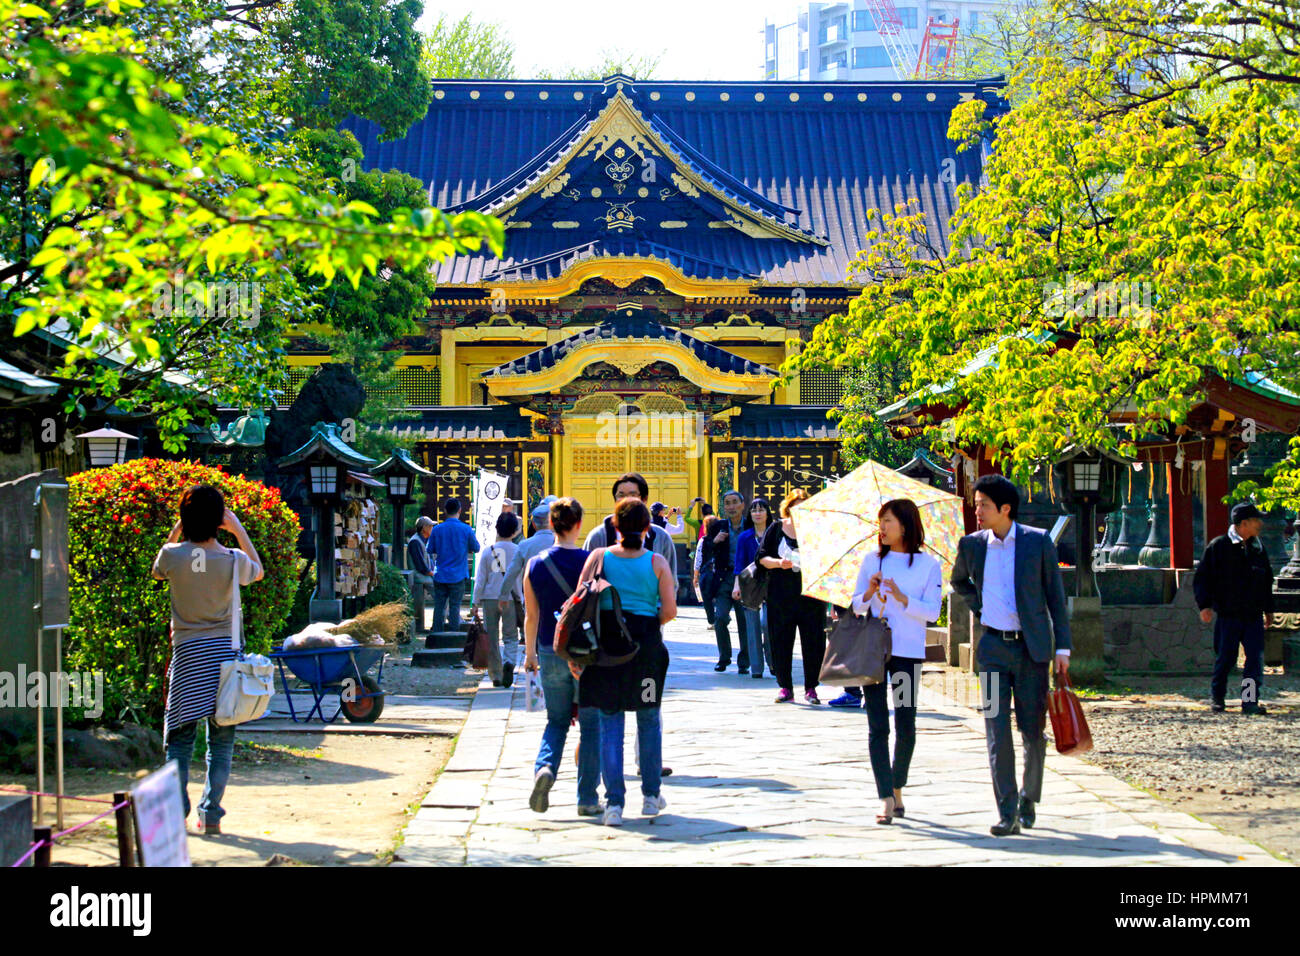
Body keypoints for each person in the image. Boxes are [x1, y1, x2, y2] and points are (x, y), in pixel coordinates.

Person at [950, 474, 1071, 837]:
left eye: (984, 505)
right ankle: (1006, 811)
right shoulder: (972, 545)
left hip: (1032, 650)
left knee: (1032, 731)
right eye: (976, 505)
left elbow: (1056, 597)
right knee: (996, 729)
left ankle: (1028, 798)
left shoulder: (1037, 542)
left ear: (1005, 508)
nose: (977, 512)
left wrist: (1062, 648)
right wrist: (980, 607)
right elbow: (959, 581)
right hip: (991, 650)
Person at [151, 484, 264, 836]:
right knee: (221, 741)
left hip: (187, 655)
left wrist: (177, 530)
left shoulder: (172, 556)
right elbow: (258, 571)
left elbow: (157, 570)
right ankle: (211, 813)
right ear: (219, 519)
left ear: (185, 518)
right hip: (224, 658)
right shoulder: (233, 560)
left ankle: (178, 811)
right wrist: (238, 530)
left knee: (179, 740)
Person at [576, 497, 677, 827]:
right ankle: (651, 794)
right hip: (646, 655)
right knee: (648, 718)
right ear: (648, 528)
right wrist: (646, 623)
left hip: (607, 654)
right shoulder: (657, 562)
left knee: (610, 722)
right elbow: (670, 610)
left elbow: (579, 602)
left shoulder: (598, 557)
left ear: (615, 527)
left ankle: (614, 803)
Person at [850, 499, 943, 824]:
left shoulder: (928, 565)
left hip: (907, 653)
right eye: (881, 521)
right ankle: (886, 798)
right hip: (875, 651)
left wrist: (904, 599)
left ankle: (897, 786)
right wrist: (869, 593)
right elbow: (856, 605)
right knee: (877, 725)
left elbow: (933, 612)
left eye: (888, 520)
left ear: (905, 524)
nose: (882, 527)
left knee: (906, 725)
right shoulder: (872, 561)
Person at [524, 498, 603, 816]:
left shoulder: (535, 564)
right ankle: (587, 798)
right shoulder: (592, 562)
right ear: (578, 524)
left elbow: (531, 615)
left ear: (551, 524)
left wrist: (530, 654)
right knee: (591, 726)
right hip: (585, 652)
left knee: (556, 721)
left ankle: (545, 767)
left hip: (549, 647)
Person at [1194, 502, 1275, 715]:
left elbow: (1266, 580)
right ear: (1243, 523)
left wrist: (1269, 609)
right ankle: (1218, 698)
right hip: (1228, 615)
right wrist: (1205, 605)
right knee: (1226, 658)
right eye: (1256, 520)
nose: (1260, 524)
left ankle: (1249, 701)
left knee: (1254, 660)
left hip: (1253, 615)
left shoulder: (1258, 549)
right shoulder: (1219, 546)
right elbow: (1203, 578)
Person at [757, 488, 827, 704]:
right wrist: (779, 563)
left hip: (811, 596)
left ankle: (811, 688)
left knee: (814, 643)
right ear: (787, 508)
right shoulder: (776, 528)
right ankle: (785, 686)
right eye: (795, 507)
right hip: (780, 595)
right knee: (780, 641)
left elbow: (826, 559)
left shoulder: (816, 530)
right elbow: (761, 558)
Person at [472, 511, 523, 688]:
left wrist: (475, 602)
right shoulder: (518, 551)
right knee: (511, 636)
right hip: (511, 597)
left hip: (490, 597)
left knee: (491, 637)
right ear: (514, 531)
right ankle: (510, 661)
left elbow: (480, 579)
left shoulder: (488, 551)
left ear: (497, 529)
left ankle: (496, 674)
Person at [731, 497, 774, 679]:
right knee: (752, 626)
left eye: (761, 510)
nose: (757, 513)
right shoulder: (745, 537)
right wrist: (736, 586)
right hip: (750, 584)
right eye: (754, 510)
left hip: (771, 584)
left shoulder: (775, 533)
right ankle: (756, 668)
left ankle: (773, 662)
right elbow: (739, 564)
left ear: (767, 513)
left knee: (767, 624)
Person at [710, 490, 751, 673]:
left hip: (746, 578)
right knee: (720, 618)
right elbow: (705, 551)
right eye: (727, 503)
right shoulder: (718, 526)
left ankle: (744, 662)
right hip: (724, 578)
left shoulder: (750, 525)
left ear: (742, 505)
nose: (731, 506)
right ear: (723, 507)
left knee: (744, 621)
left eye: (735, 502)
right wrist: (714, 541)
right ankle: (724, 657)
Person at [426, 496, 480, 633]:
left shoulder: (437, 529)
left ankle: (437, 635)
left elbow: (429, 549)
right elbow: (476, 547)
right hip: (458, 574)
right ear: (460, 510)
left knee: (439, 606)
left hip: (440, 574)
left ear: (445, 511)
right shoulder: (466, 529)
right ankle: (454, 636)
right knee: (455, 607)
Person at [408, 516, 435, 635]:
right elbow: (420, 565)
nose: (432, 528)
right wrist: (433, 573)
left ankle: (433, 626)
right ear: (424, 528)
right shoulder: (415, 541)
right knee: (441, 596)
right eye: (430, 526)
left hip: (424, 576)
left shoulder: (422, 540)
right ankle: (437, 626)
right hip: (420, 577)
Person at [694, 514, 722, 627]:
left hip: (707, 573)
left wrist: (696, 576)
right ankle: (721, 615)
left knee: (707, 598)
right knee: (721, 595)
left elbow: (698, 559)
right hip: (721, 572)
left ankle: (712, 620)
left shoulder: (703, 540)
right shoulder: (723, 538)